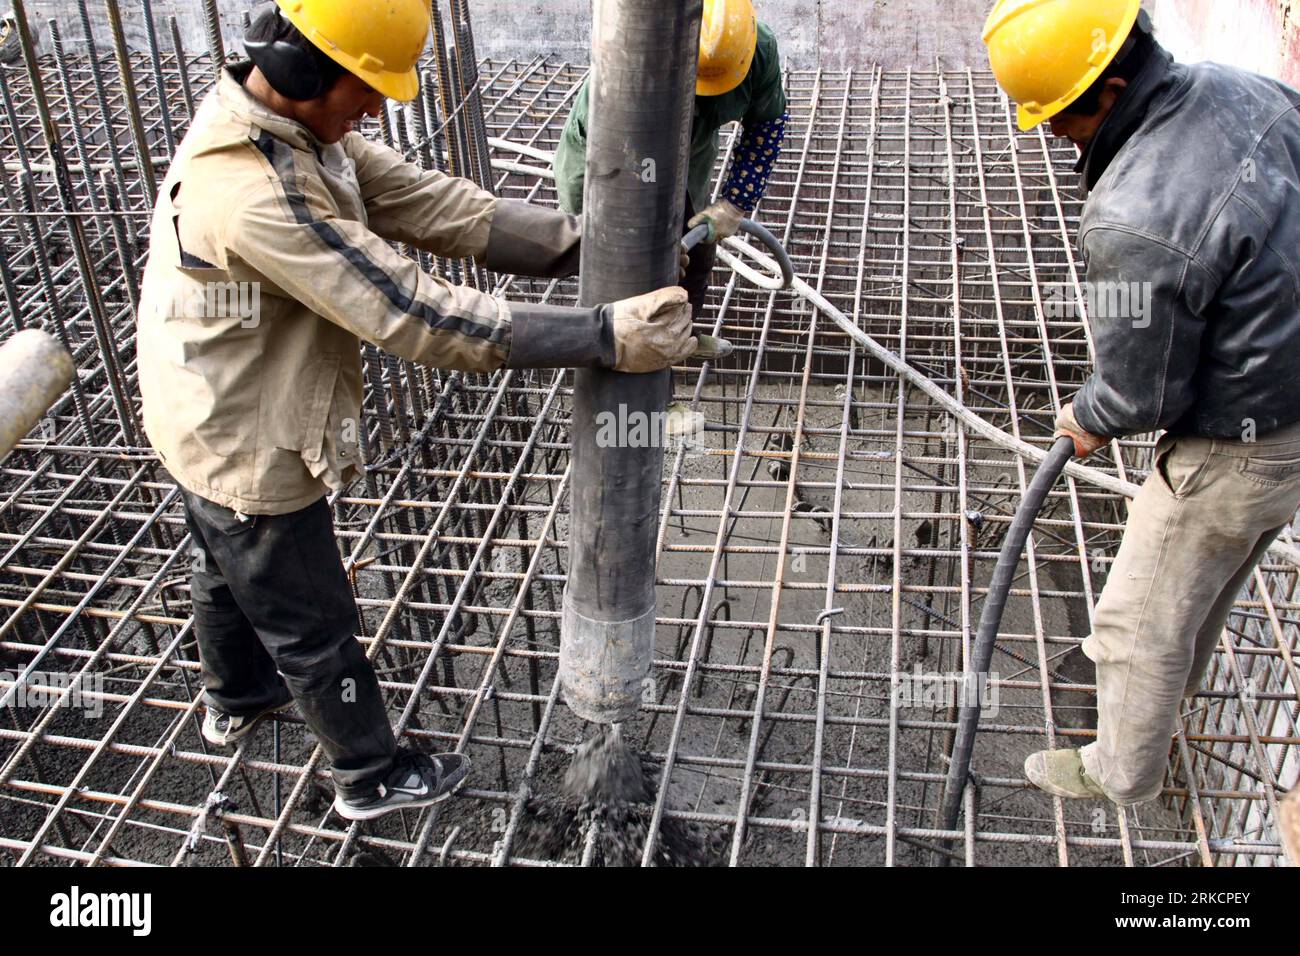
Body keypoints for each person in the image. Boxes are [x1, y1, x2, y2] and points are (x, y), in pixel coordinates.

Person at [136, 0, 697, 822]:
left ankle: (238, 699)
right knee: (310, 619)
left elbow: (440, 207)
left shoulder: (280, 129)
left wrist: (586, 240)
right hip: (243, 437)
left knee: (227, 568)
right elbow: (414, 314)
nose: (376, 108)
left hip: (196, 404)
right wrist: (604, 335)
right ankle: (369, 775)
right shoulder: (254, 192)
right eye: (366, 88)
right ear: (302, 70)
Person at [984, 0, 1300, 806]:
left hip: (1242, 440)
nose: (1054, 137)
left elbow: (1142, 390)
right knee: (1216, 577)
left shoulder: (1133, 216)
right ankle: (1174, 696)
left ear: (1113, 86)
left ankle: (1120, 771)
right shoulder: (1246, 93)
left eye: (1058, 118)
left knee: (1134, 620)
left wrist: (1088, 415)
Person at [553, 0, 788, 430]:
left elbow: (766, 128)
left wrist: (735, 202)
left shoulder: (756, 49)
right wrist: (622, 240)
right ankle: (641, 412)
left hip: (685, 155)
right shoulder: (634, 67)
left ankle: (679, 346)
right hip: (614, 164)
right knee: (637, 286)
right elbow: (611, 167)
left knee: (696, 258)